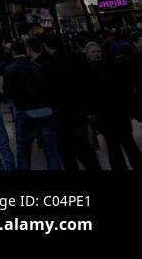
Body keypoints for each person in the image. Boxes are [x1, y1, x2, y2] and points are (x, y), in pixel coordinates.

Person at [41, 33, 98, 171]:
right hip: (79, 107)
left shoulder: (50, 64)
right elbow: (87, 84)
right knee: (83, 145)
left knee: (67, 149)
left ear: (46, 46)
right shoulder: (76, 57)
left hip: (62, 111)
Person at [3, 37, 61, 170]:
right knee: (51, 150)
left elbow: (8, 94)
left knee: (23, 151)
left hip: (25, 110)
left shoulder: (10, 69)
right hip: (45, 109)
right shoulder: (39, 66)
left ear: (13, 52)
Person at [84, 40, 142, 170]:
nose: (96, 54)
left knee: (128, 143)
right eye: (93, 52)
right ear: (87, 54)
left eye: (98, 51)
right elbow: (86, 94)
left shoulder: (111, 67)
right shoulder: (86, 72)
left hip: (118, 111)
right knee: (113, 145)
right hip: (104, 114)